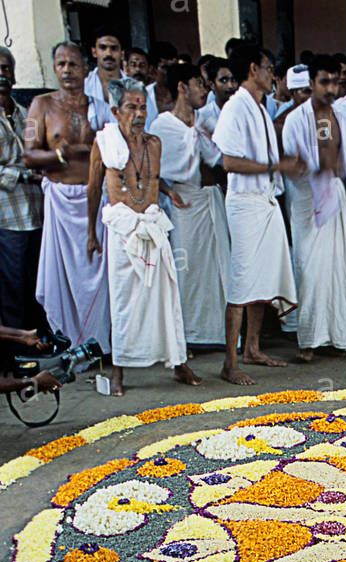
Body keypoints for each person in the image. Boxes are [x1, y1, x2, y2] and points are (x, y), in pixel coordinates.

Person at [86, 79, 197, 395]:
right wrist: (90, 234)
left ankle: (178, 363)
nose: (138, 113)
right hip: (123, 228)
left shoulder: (154, 143)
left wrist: (169, 191)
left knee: (167, 297)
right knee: (123, 302)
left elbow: (152, 177)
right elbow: (94, 188)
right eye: (131, 107)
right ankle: (119, 370)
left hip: (153, 225)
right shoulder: (104, 143)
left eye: (142, 106)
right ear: (115, 110)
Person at [212, 42, 301, 385]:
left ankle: (252, 348)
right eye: (268, 67)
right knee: (242, 280)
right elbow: (228, 162)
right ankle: (229, 363)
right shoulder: (236, 107)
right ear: (252, 69)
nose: (272, 74)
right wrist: (273, 165)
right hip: (245, 203)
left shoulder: (261, 108)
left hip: (264, 200)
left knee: (262, 276)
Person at [282, 55, 346, 357]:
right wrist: (314, 171)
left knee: (337, 266)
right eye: (324, 81)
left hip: (335, 197)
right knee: (310, 268)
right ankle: (309, 341)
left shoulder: (342, 117)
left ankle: (339, 336)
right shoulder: (295, 120)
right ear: (311, 84)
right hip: (306, 201)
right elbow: (290, 164)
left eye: (335, 81)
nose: (330, 88)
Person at [25, 43, 111, 354]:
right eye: (60, 64)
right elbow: (29, 154)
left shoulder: (100, 108)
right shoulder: (40, 105)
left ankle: (100, 343)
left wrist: (93, 152)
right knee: (62, 279)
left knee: (98, 272)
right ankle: (71, 342)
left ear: (86, 69)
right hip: (60, 203)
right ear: (54, 68)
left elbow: (115, 152)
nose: (67, 70)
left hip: (95, 201)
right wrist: (63, 153)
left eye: (73, 64)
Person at [153, 63, 229, 348]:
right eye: (199, 83)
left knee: (220, 267)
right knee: (187, 270)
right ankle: (186, 337)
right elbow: (151, 168)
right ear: (182, 87)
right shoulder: (162, 126)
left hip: (211, 199)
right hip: (184, 205)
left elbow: (221, 159)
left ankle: (220, 335)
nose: (205, 89)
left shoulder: (207, 120)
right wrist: (168, 191)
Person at [0, 46, 44, 330]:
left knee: (38, 284)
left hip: (37, 213)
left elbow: (39, 151)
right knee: (10, 287)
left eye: (5, 68)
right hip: (7, 218)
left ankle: (39, 343)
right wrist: (25, 174)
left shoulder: (27, 114)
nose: (1, 74)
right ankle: (15, 351)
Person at [85, 28, 124, 131]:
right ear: (94, 52)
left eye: (114, 48)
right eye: (103, 48)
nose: (108, 54)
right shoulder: (84, 87)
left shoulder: (136, 88)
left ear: (122, 54)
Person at [197, 59, 237, 138]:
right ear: (212, 85)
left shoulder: (246, 111)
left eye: (234, 80)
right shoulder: (202, 117)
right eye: (224, 80)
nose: (230, 86)